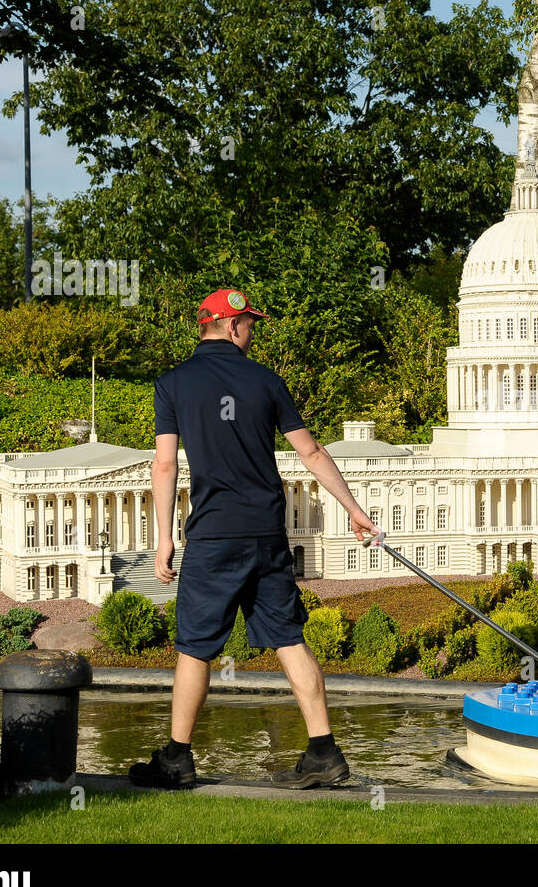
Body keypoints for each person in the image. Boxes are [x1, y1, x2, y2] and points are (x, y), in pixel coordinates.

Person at [129, 287, 379, 790]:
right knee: (289, 638)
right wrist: (355, 511)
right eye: (250, 326)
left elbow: (163, 464)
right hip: (266, 532)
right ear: (230, 325)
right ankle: (324, 753)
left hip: (214, 536)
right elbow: (310, 452)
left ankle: (177, 760)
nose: (252, 334)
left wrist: (164, 539)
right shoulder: (266, 381)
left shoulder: (172, 383)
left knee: (196, 648)